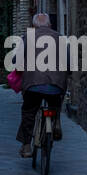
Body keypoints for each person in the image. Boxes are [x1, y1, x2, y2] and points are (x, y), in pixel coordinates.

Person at [15, 12, 68, 158]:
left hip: (33, 85)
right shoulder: (61, 38)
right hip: (55, 85)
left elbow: (17, 61)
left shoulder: (28, 38)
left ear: (33, 25)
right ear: (50, 24)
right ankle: (56, 120)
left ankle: (26, 146)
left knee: (29, 112)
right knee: (56, 101)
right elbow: (69, 63)